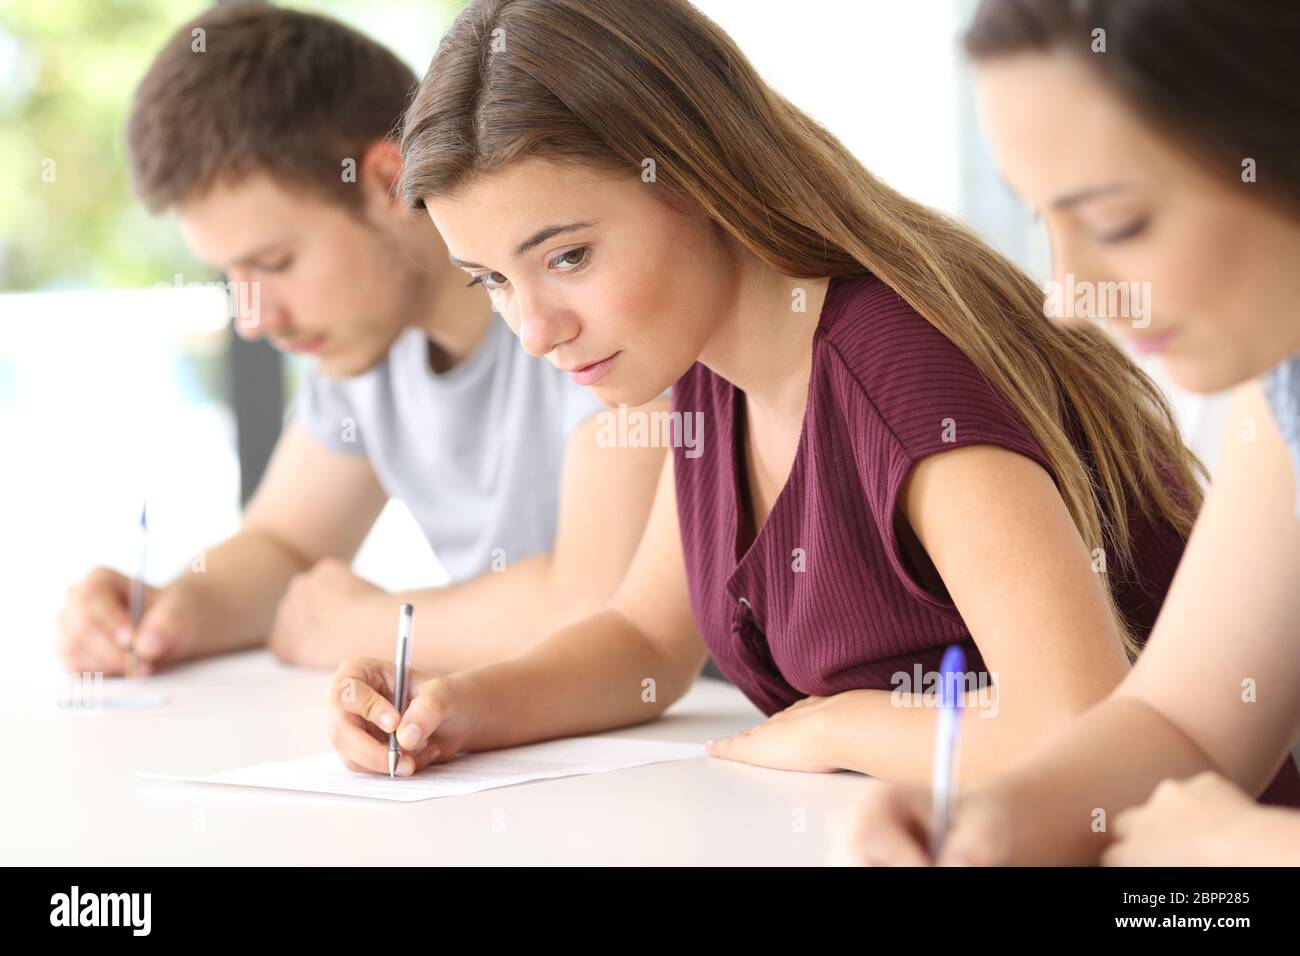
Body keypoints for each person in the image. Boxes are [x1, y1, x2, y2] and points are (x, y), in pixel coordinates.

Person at [321, 0, 1278, 795]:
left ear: (694, 179)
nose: (534, 328)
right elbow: (645, 639)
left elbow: (1070, 722)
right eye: (491, 279)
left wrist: (846, 727)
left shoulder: (901, 378)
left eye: (568, 257)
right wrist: (456, 708)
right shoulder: (697, 362)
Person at [55, 2, 665, 676]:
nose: (252, 318)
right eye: (230, 274)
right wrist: (163, 613)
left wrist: (364, 629)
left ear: (385, 183)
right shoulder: (366, 349)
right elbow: (284, 548)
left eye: (275, 263)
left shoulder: (576, 308)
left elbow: (591, 603)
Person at [843, 0, 1300, 865]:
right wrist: (994, 821)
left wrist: (1244, 851)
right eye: (1043, 218)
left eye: (1117, 223)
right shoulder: (1282, 379)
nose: (1069, 298)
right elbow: (1185, 728)